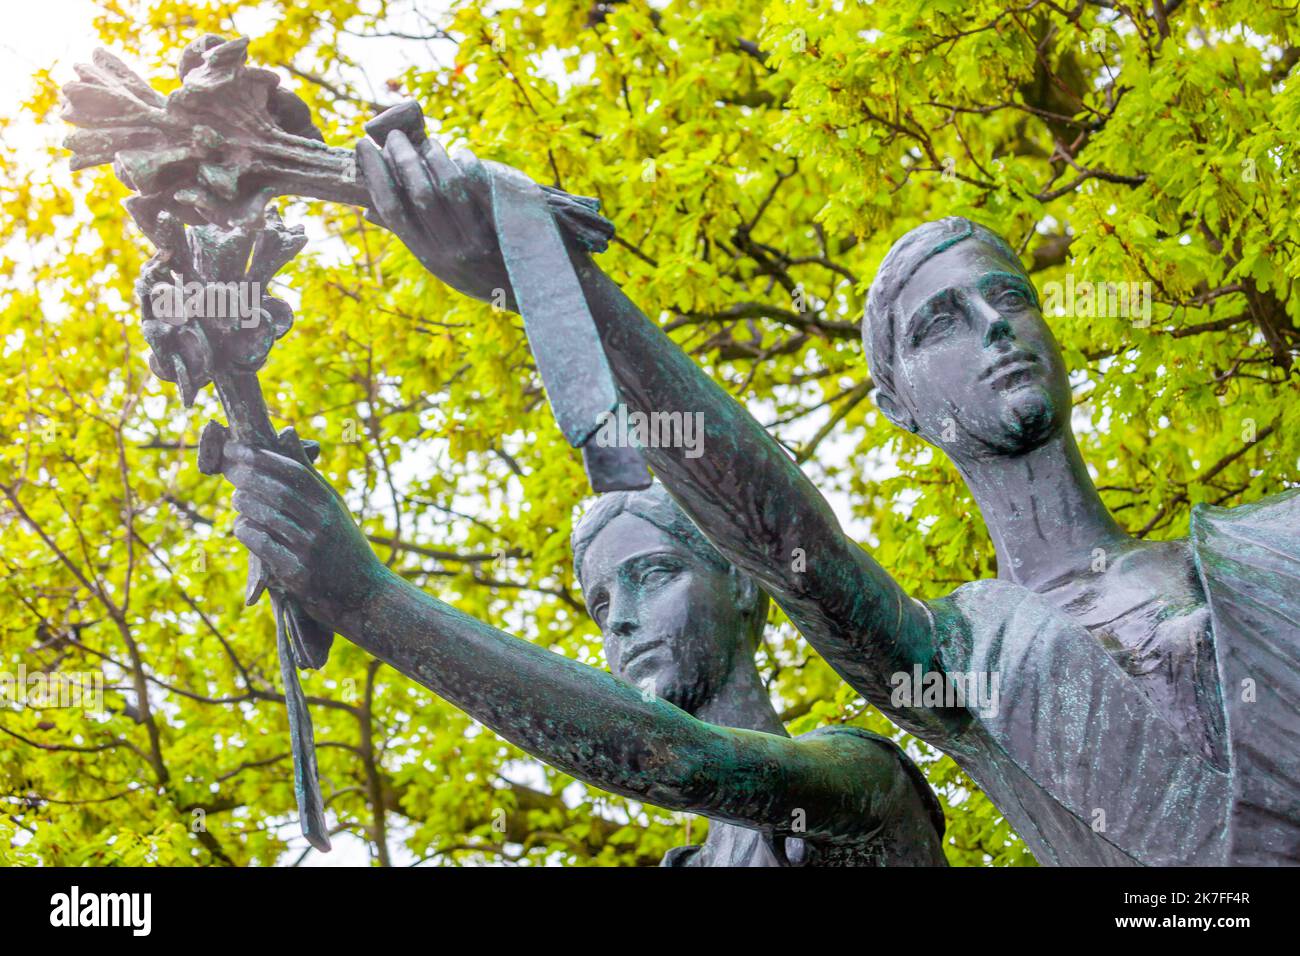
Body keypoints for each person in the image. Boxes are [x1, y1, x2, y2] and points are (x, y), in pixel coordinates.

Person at [304, 122, 1297, 866]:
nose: (995, 328)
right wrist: (548, 281)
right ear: (899, 404)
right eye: (940, 321)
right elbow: (782, 535)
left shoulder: (1266, 544)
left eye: (1012, 298)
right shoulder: (957, 656)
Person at [216, 440, 947, 865]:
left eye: (653, 575)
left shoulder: (859, 783)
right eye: (602, 605)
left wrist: (369, 603)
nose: (622, 623)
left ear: (746, 588)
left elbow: (678, 758)